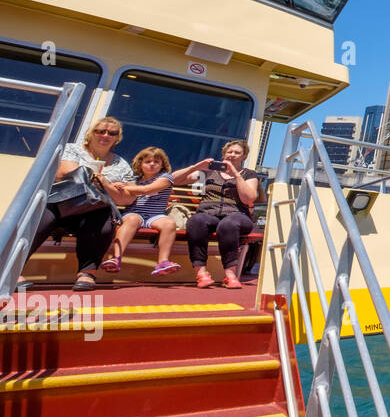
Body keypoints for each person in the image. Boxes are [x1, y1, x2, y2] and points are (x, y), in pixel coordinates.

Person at [22, 116, 137, 291]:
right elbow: (64, 172)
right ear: (91, 133)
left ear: (117, 138)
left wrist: (101, 181)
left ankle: (87, 273)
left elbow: (128, 198)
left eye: (112, 133)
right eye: (101, 131)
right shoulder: (73, 149)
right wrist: (108, 185)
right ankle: (12, 270)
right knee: (39, 222)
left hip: (94, 209)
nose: (106, 135)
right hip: (63, 202)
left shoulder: (121, 164)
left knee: (104, 223)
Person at [109, 147, 209, 276]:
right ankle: (116, 258)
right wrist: (117, 185)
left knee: (169, 223)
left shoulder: (165, 178)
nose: (152, 164)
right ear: (140, 164)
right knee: (132, 220)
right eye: (147, 161)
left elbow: (147, 190)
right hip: (134, 213)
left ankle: (163, 262)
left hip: (155, 215)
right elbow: (118, 190)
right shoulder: (133, 179)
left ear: (162, 164)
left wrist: (127, 186)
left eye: (156, 162)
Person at [186, 139, 261, 288]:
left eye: (237, 152)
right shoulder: (209, 172)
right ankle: (201, 273)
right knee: (196, 221)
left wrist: (235, 174)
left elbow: (249, 198)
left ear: (244, 156)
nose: (232, 155)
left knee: (228, 225)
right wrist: (196, 167)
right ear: (224, 154)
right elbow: (175, 179)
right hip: (209, 213)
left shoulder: (249, 174)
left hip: (238, 215)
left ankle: (230, 275)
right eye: (230, 152)